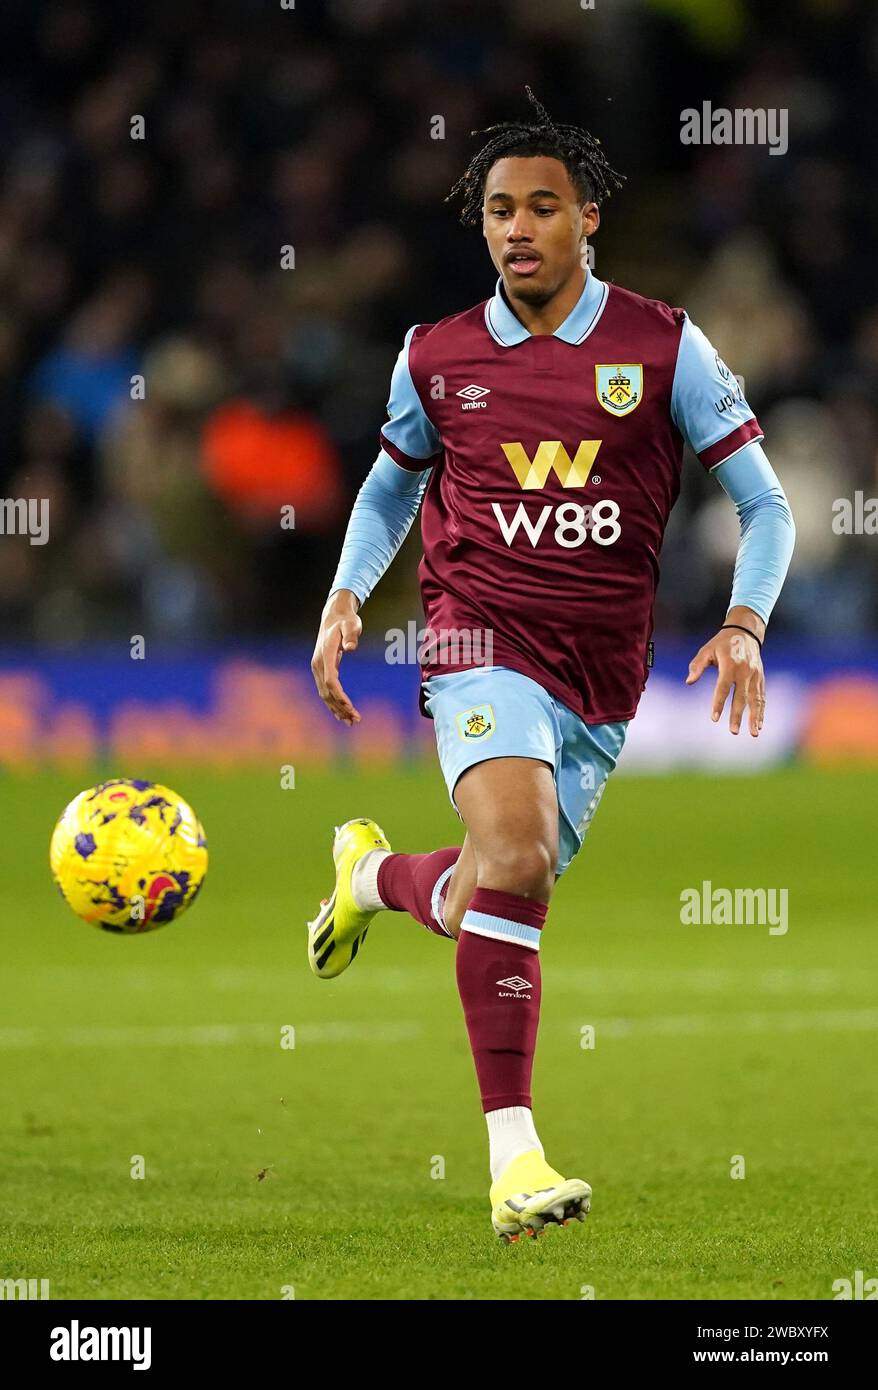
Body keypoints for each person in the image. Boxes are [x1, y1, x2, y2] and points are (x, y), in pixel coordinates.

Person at [308, 89, 795, 1241]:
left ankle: (372, 875)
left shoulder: (663, 346)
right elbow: (390, 483)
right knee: (519, 858)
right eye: (494, 211)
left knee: (492, 885)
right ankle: (513, 1157)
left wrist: (742, 622)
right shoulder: (434, 354)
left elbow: (762, 505)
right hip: (475, 638)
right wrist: (343, 591)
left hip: (600, 674)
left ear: (586, 219)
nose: (515, 228)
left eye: (539, 207)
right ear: (479, 228)